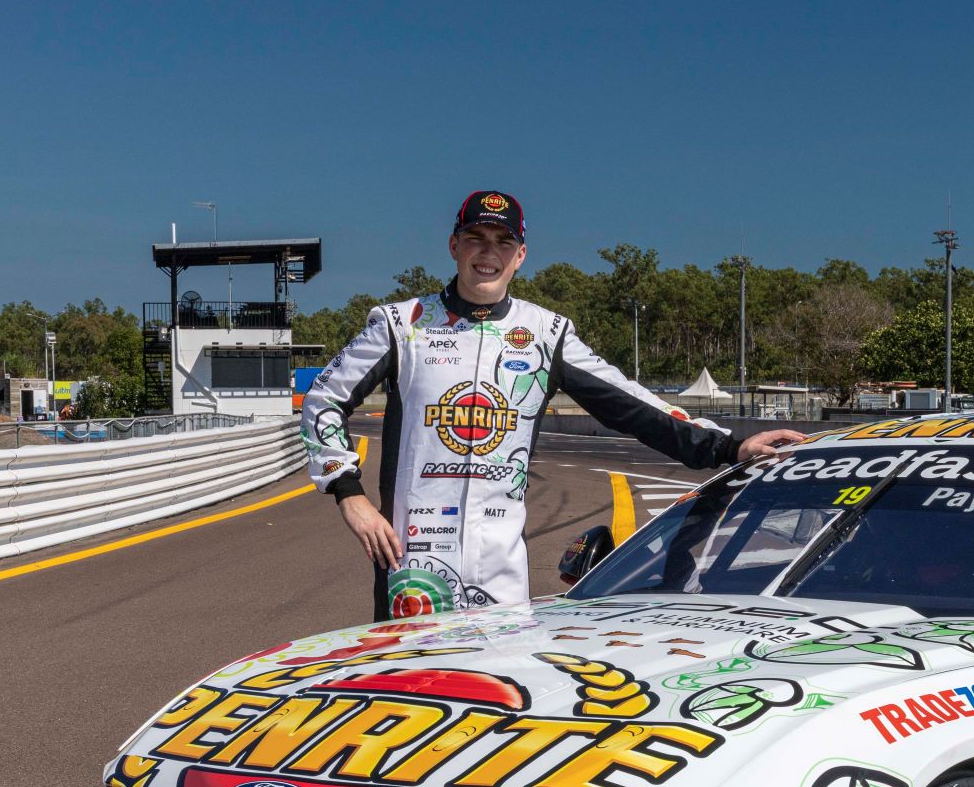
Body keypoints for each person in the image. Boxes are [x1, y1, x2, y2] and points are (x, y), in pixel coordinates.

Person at [300, 189, 802, 618]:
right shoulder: (399, 323)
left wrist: (729, 447)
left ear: (520, 256)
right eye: (475, 238)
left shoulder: (546, 334)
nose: (487, 252)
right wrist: (350, 495)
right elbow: (323, 398)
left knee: (500, 701)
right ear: (454, 245)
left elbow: (633, 404)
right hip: (410, 563)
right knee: (412, 698)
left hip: (500, 569)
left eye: (503, 242)